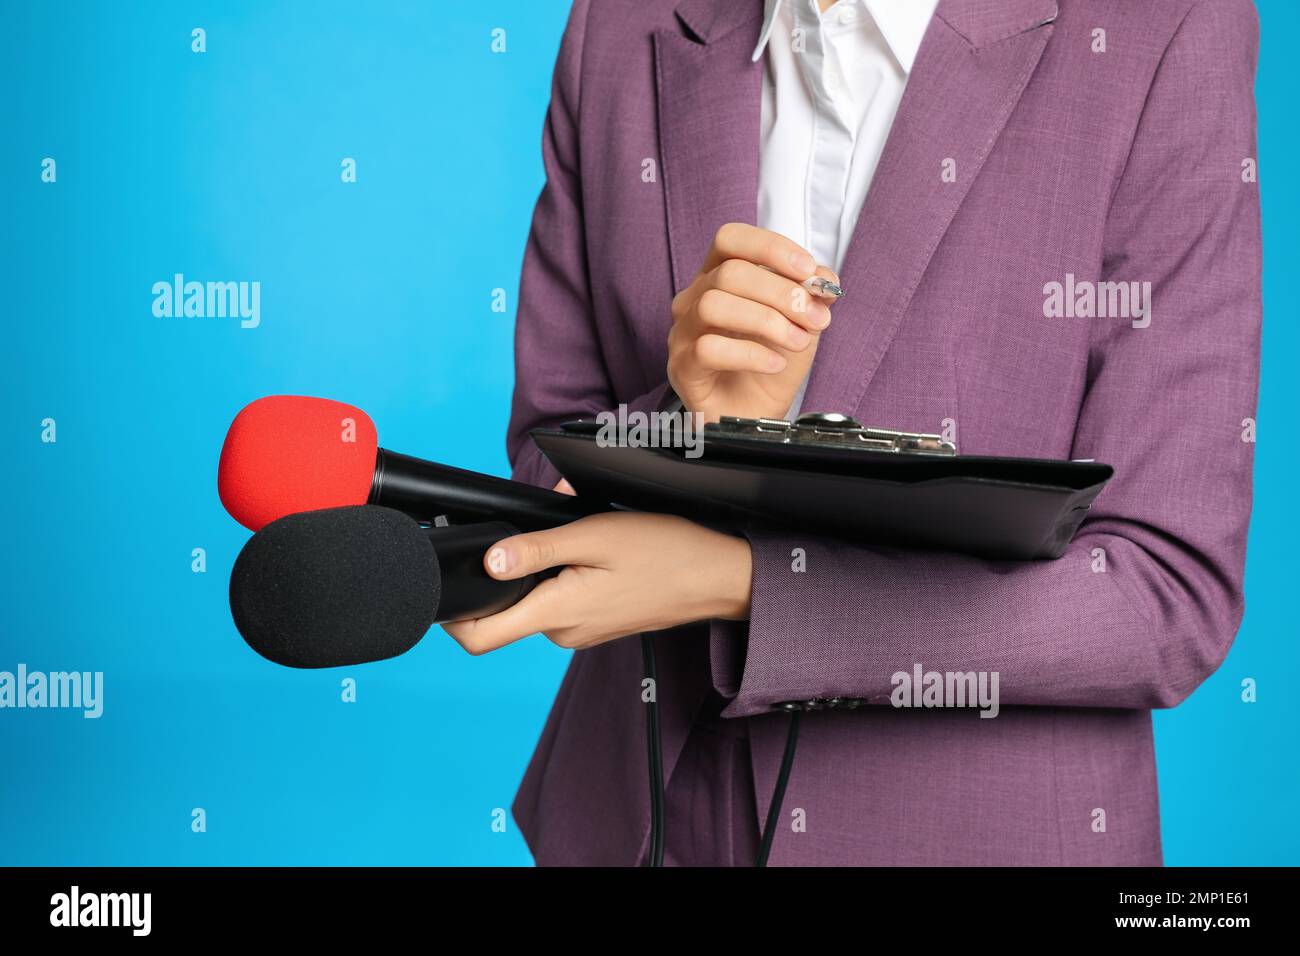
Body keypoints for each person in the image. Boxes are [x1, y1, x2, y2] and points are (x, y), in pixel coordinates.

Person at [442, 0, 1262, 866]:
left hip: (976, 835)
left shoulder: (1167, 26)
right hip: (641, 816)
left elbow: (1165, 595)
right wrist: (688, 419)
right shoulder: (617, 24)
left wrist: (745, 587)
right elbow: (546, 454)